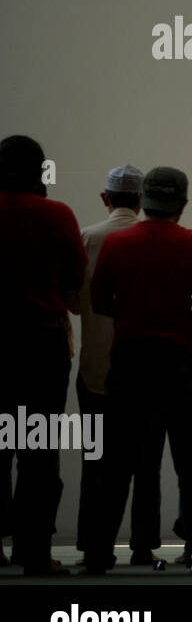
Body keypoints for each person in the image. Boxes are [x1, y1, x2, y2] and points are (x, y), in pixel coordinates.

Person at [86, 166, 192, 575]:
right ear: (182, 205)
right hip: (183, 365)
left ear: (144, 201)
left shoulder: (118, 243)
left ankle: (97, 555)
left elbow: (100, 301)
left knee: (116, 467)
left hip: (129, 363)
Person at [0, 135, 86, 576]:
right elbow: (75, 277)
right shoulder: (57, 215)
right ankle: (33, 550)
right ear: (41, 172)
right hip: (41, 343)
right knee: (38, 449)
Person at [74, 166, 157, 567]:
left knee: (97, 462)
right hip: (145, 370)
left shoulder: (88, 237)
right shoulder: (149, 239)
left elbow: (74, 302)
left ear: (105, 198)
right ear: (141, 200)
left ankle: (95, 546)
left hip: (94, 368)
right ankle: (142, 546)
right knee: (145, 461)